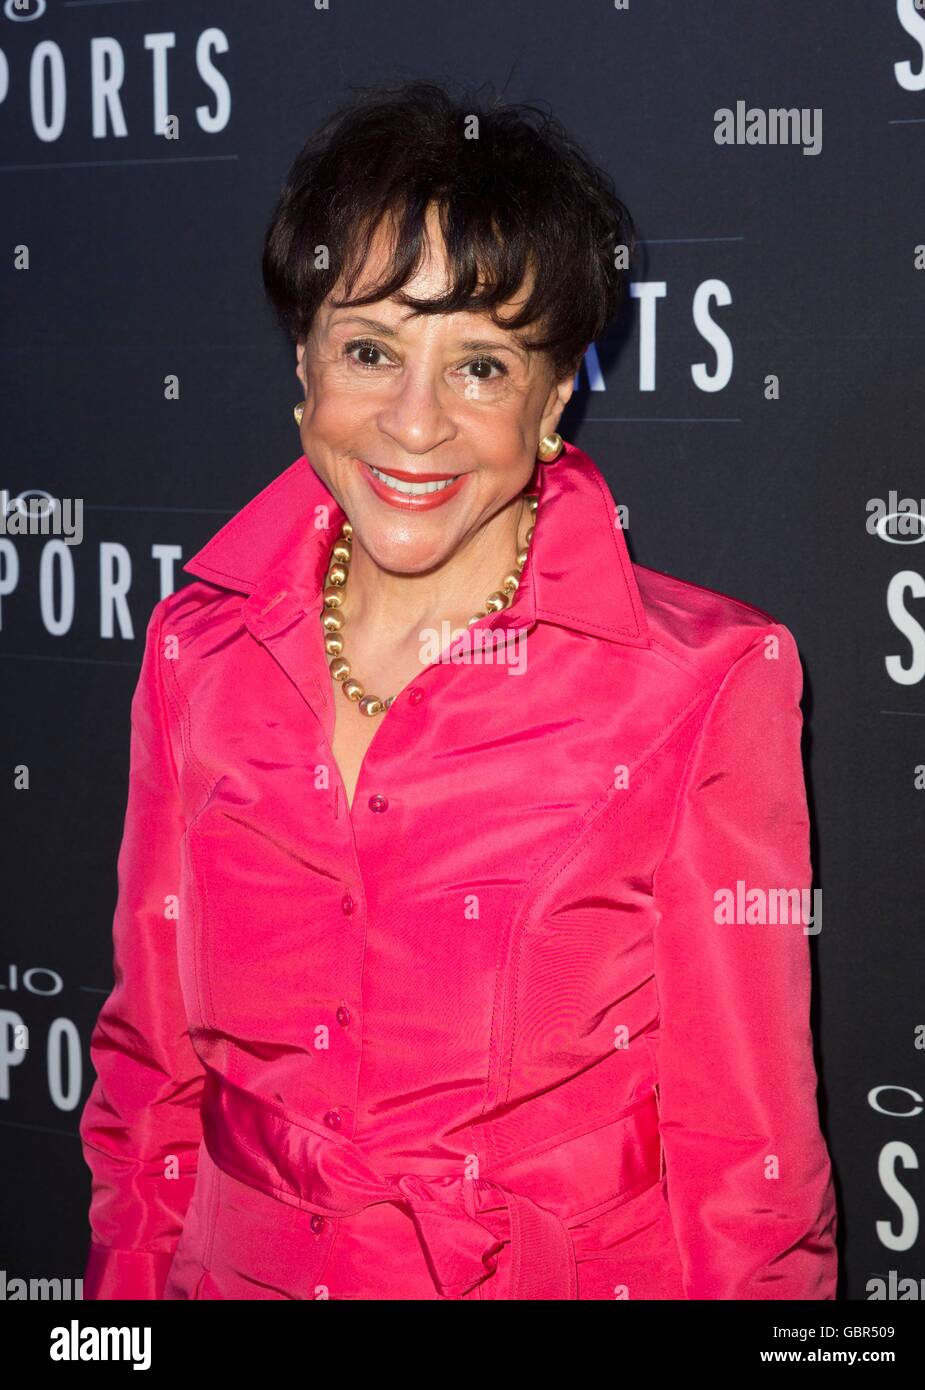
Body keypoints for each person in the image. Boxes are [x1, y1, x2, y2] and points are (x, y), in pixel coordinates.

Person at [78, 79, 837, 1300]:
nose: (412, 423)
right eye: (370, 349)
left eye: (480, 366)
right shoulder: (194, 653)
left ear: (553, 400)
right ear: (305, 365)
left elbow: (749, 1163)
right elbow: (149, 1077)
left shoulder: (701, 684)